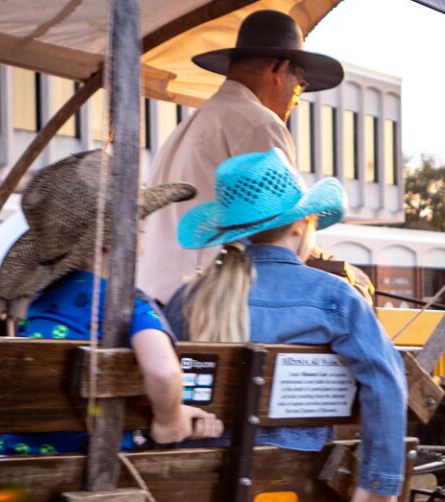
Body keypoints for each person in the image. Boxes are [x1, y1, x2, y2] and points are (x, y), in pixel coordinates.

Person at [165, 150, 404, 502]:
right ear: (300, 224)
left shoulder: (191, 296)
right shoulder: (335, 297)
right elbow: (385, 381)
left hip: (194, 485)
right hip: (296, 480)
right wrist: (379, 485)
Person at [0, 151, 223, 455]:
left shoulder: (42, 301)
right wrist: (171, 420)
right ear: (111, 242)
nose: (142, 247)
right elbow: (163, 371)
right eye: (140, 233)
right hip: (87, 463)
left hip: (13, 455)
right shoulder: (126, 303)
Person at [137, 9, 344, 305]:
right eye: (300, 86)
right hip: (211, 304)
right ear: (280, 70)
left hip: (159, 296)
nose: (297, 99)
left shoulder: (194, 122)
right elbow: (278, 231)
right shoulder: (260, 122)